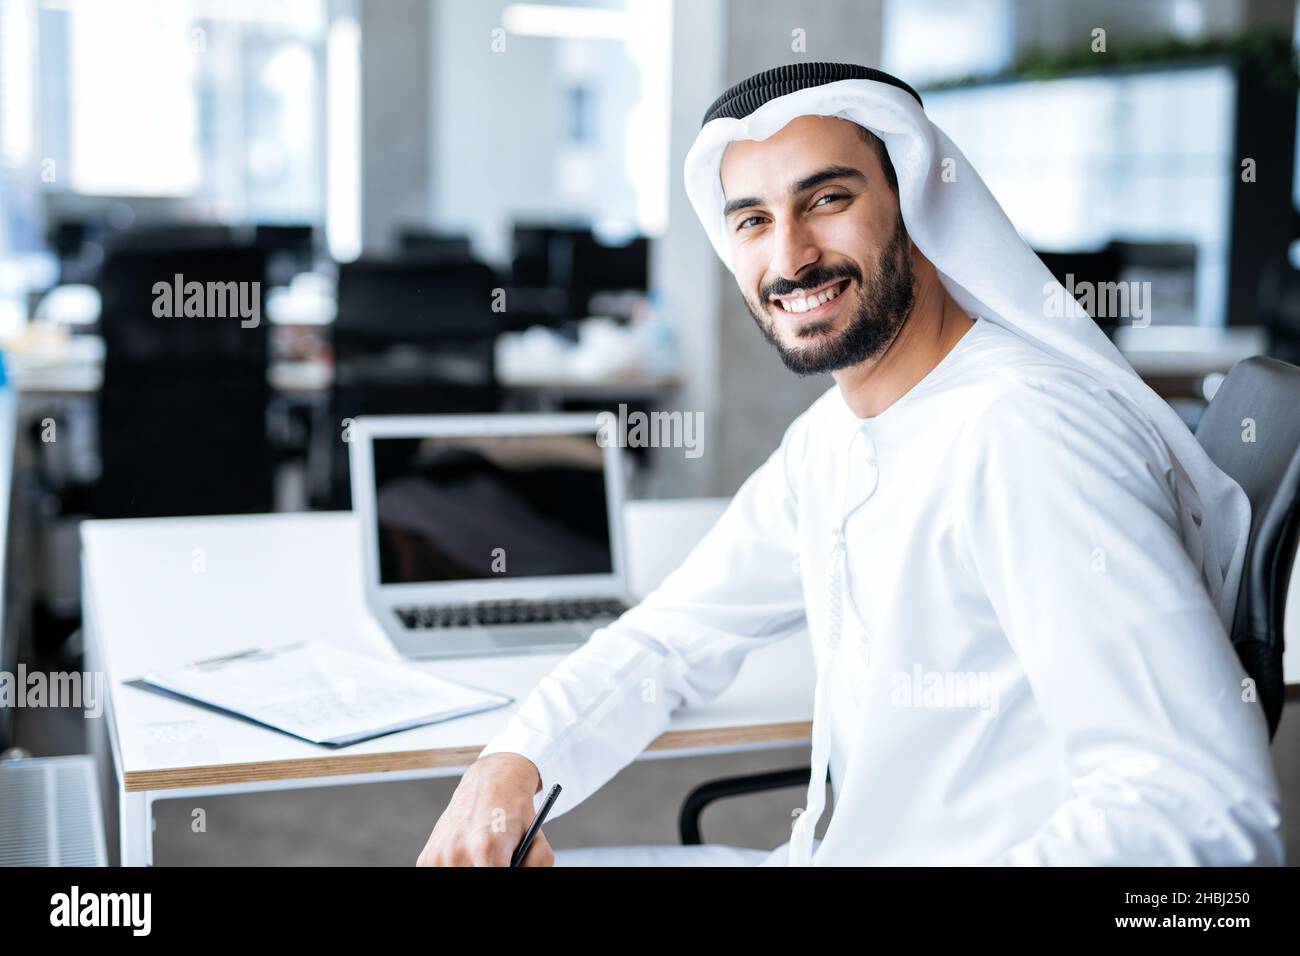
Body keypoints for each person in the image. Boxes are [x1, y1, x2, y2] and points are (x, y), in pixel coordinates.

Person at [417, 63, 1282, 867]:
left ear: (916, 208)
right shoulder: (835, 433)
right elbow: (673, 635)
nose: (789, 257)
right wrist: (513, 763)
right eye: (753, 220)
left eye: (825, 199)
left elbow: (1204, 812)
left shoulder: (1025, 436)